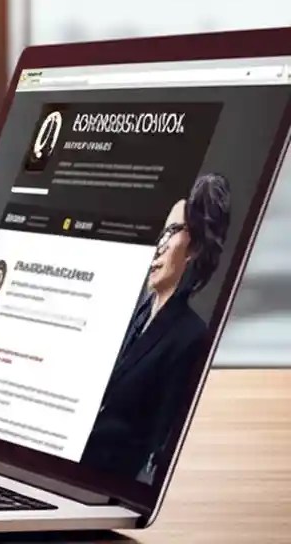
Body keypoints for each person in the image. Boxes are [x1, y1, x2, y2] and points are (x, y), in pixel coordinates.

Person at [80, 172, 231, 483]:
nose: (159, 245)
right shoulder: (135, 317)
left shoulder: (189, 336)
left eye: (173, 231)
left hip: (109, 484)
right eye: (160, 233)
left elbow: (159, 447)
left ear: (195, 248)